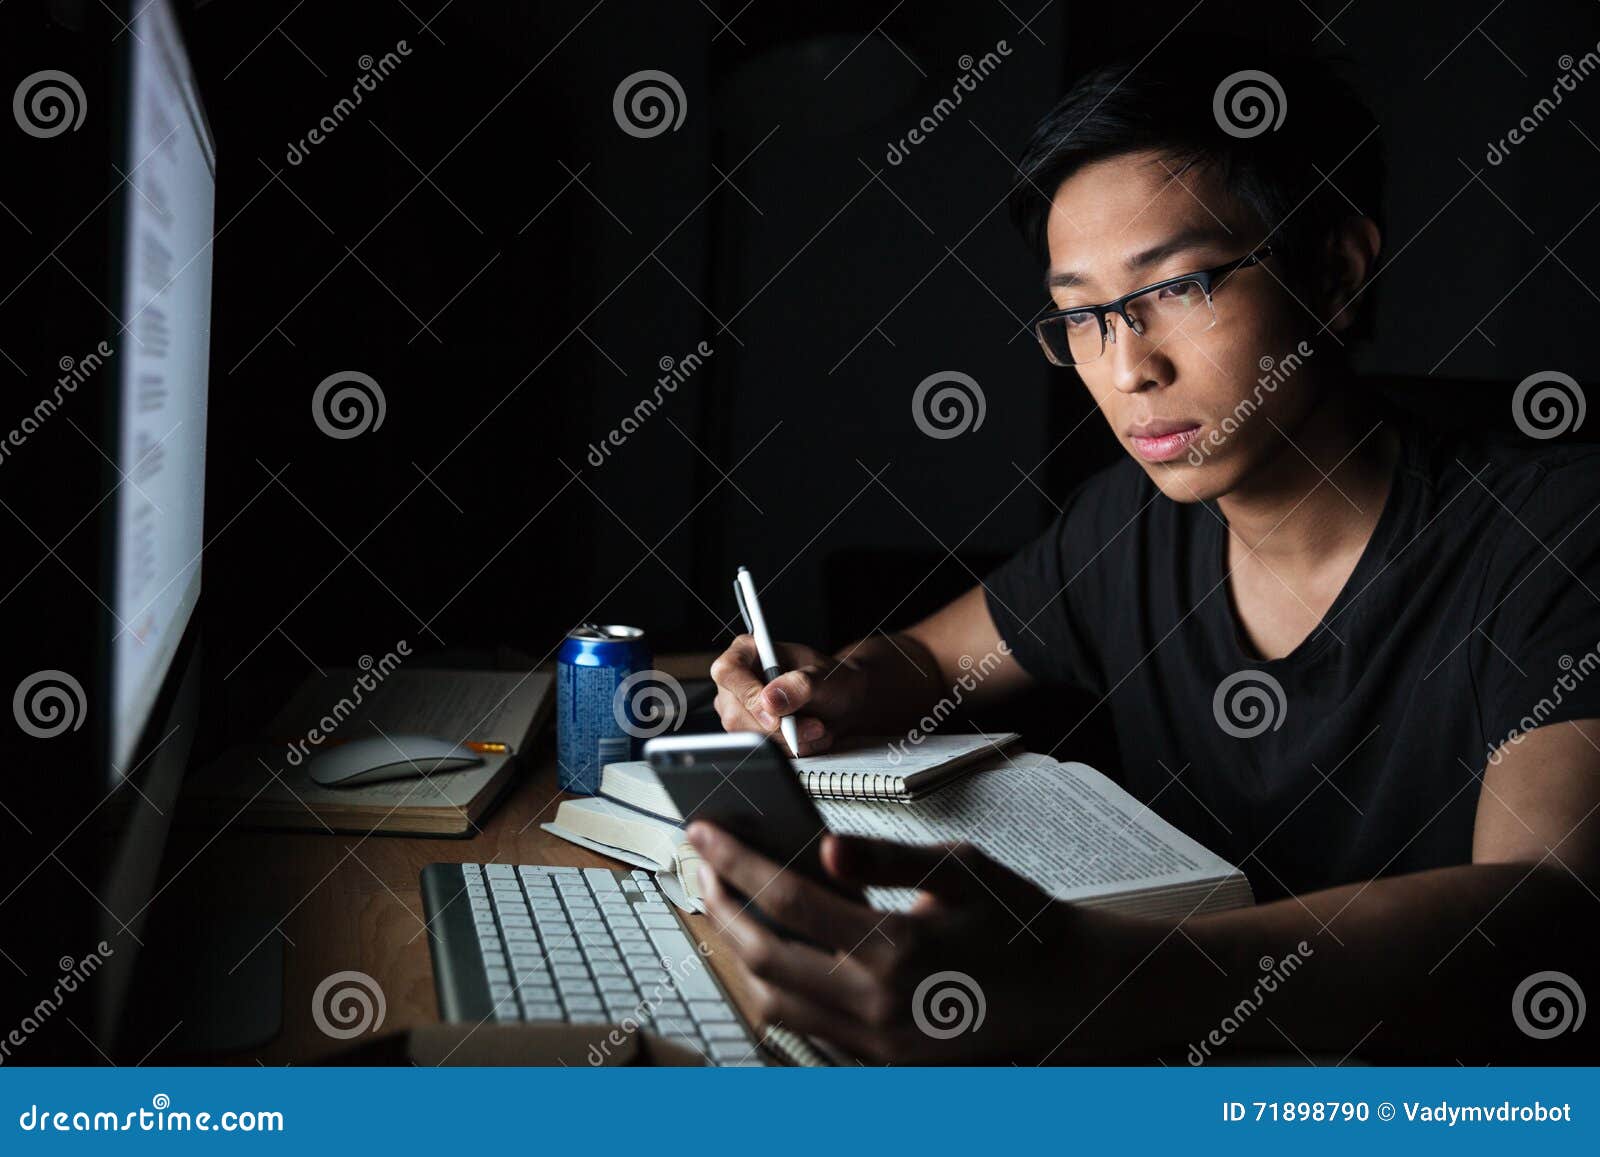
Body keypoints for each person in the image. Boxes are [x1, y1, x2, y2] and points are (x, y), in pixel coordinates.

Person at [688, 41, 1600, 1064]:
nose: (1128, 367)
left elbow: (1547, 909)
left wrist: (1084, 979)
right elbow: (929, 661)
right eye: (1080, 316)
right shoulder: (1124, 524)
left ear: (1335, 271)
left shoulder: (1554, 534)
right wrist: (827, 685)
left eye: (1181, 285)